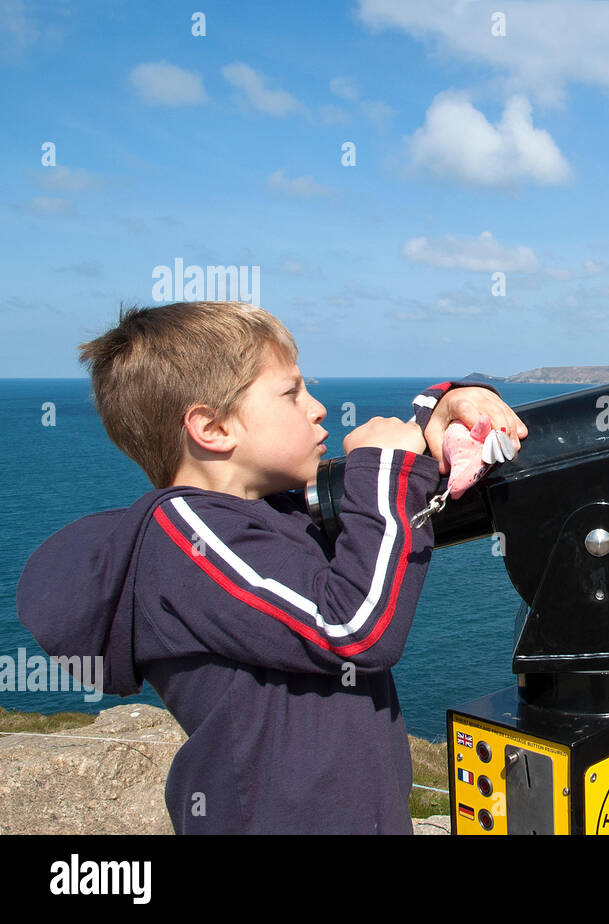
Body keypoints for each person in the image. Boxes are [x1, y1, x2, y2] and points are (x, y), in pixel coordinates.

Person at [17, 300, 526, 834]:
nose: (318, 408)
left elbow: (389, 482)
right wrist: (386, 471)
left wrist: (457, 400)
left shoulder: (273, 508)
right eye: (291, 393)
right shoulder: (183, 537)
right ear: (212, 428)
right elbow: (351, 628)